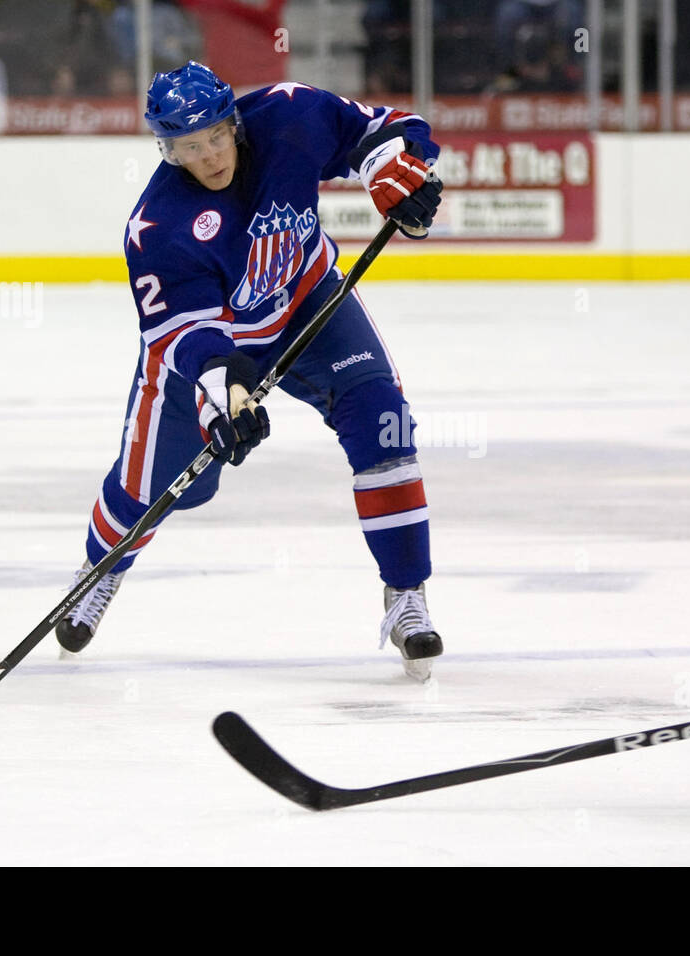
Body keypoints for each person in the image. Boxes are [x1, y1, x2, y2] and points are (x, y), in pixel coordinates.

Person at [55, 62, 445, 681]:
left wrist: (393, 175)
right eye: (188, 146)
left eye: (214, 135)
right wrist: (226, 396)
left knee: (384, 425)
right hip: (219, 350)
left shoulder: (290, 114)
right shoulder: (157, 227)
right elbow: (190, 335)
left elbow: (385, 129)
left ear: (232, 119)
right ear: (166, 149)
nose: (208, 156)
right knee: (151, 491)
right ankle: (98, 574)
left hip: (308, 303)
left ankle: (406, 598)